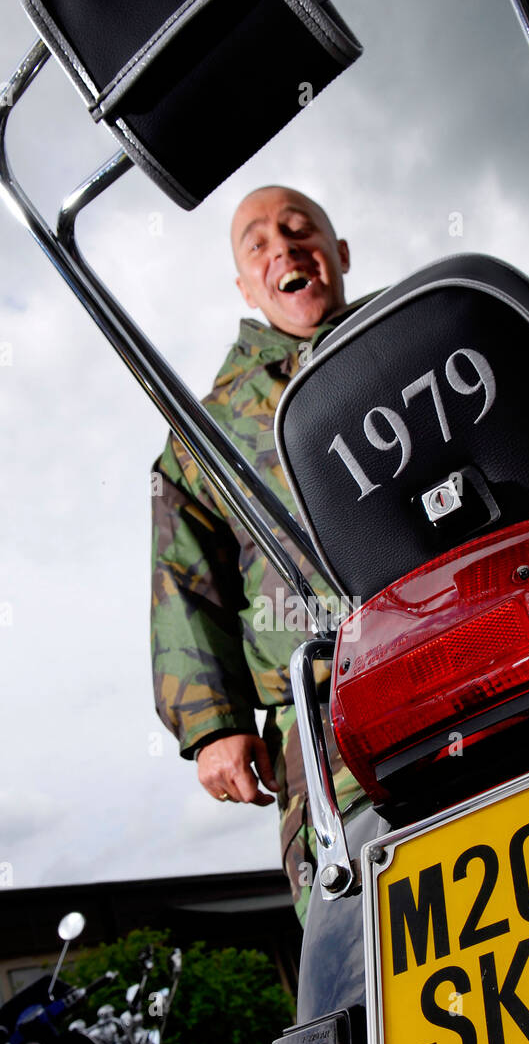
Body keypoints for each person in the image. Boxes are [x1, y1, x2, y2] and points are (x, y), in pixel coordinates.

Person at [151, 186, 372, 924]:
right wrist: (213, 723)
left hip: (476, 650)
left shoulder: (411, 338)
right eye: (258, 243)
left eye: (301, 229)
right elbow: (183, 581)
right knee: (353, 923)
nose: (282, 245)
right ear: (245, 285)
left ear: (339, 255)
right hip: (324, 714)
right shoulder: (203, 432)